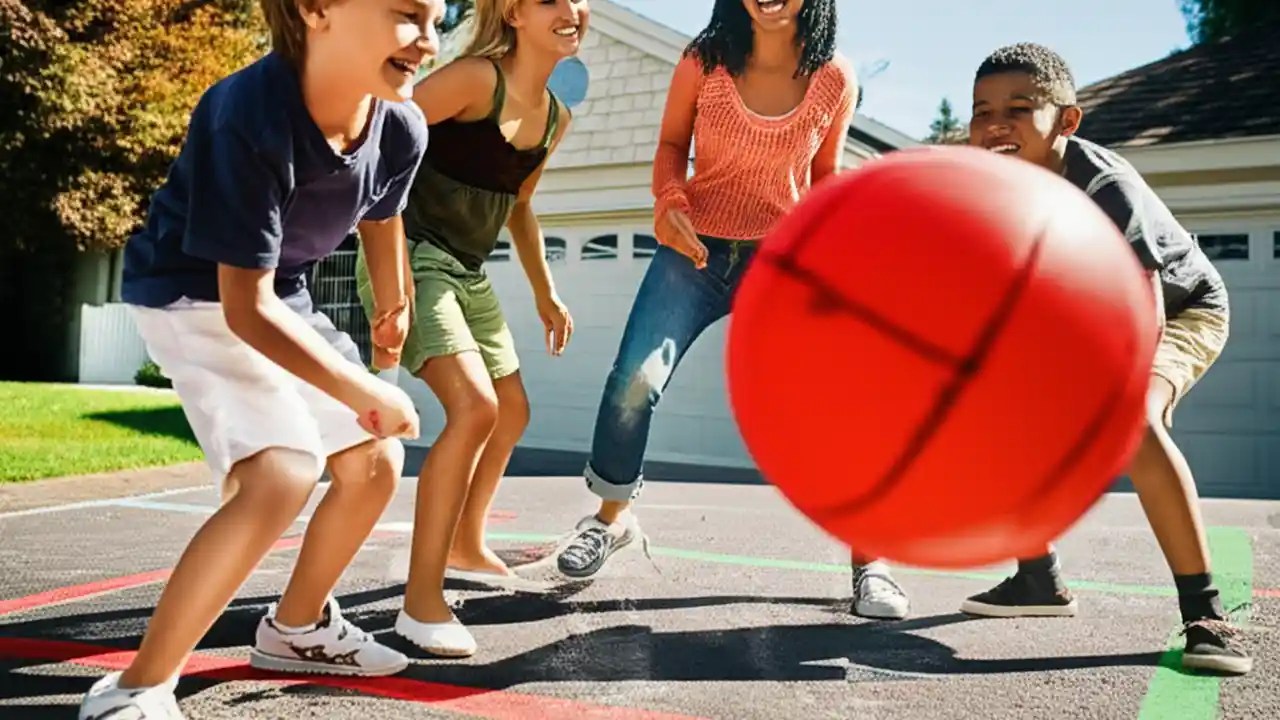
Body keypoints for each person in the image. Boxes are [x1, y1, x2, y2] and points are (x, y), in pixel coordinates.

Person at [76, 1, 443, 717]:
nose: (428, 40)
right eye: (407, 15)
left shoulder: (401, 125)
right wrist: (361, 383)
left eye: (436, 18)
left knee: (372, 460)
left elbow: (383, 214)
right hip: (190, 292)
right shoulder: (248, 113)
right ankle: (133, 690)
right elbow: (242, 307)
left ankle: (297, 628)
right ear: (316, 10)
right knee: (281, 473)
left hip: (282, 292)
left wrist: (392, 305)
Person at [549, 0, 909, 620]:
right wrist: (670, 199)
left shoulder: (834, 77)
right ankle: (612, 517)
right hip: (695, 253)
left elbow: (825, 175)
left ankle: (870, 561)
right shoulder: (704, 58)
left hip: (784, 258)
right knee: (635, 380)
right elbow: (670, 144)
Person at [963, 42, 1250, 675]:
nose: (995, 125)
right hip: (1080, 314)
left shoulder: (1102, 184)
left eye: (1018, 107)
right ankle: (1037, 578)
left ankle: (1206, 614)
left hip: (1178, 309)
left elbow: (1142, 291)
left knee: (1132, 424)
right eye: (981, 111)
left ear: (1066, 121)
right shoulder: (987, 182)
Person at [353, 0, 582, 658]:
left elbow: (522, 206)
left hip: (468, 272)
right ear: (513, 13)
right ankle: (419, 604)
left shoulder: (555, 118)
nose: (574, 10)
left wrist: (546, 293)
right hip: (413, 256)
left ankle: (465, 541)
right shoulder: (477, 79)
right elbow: (384, 134)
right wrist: (391, 278)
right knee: (475, 407)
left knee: (511, 411)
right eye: (552, 1)